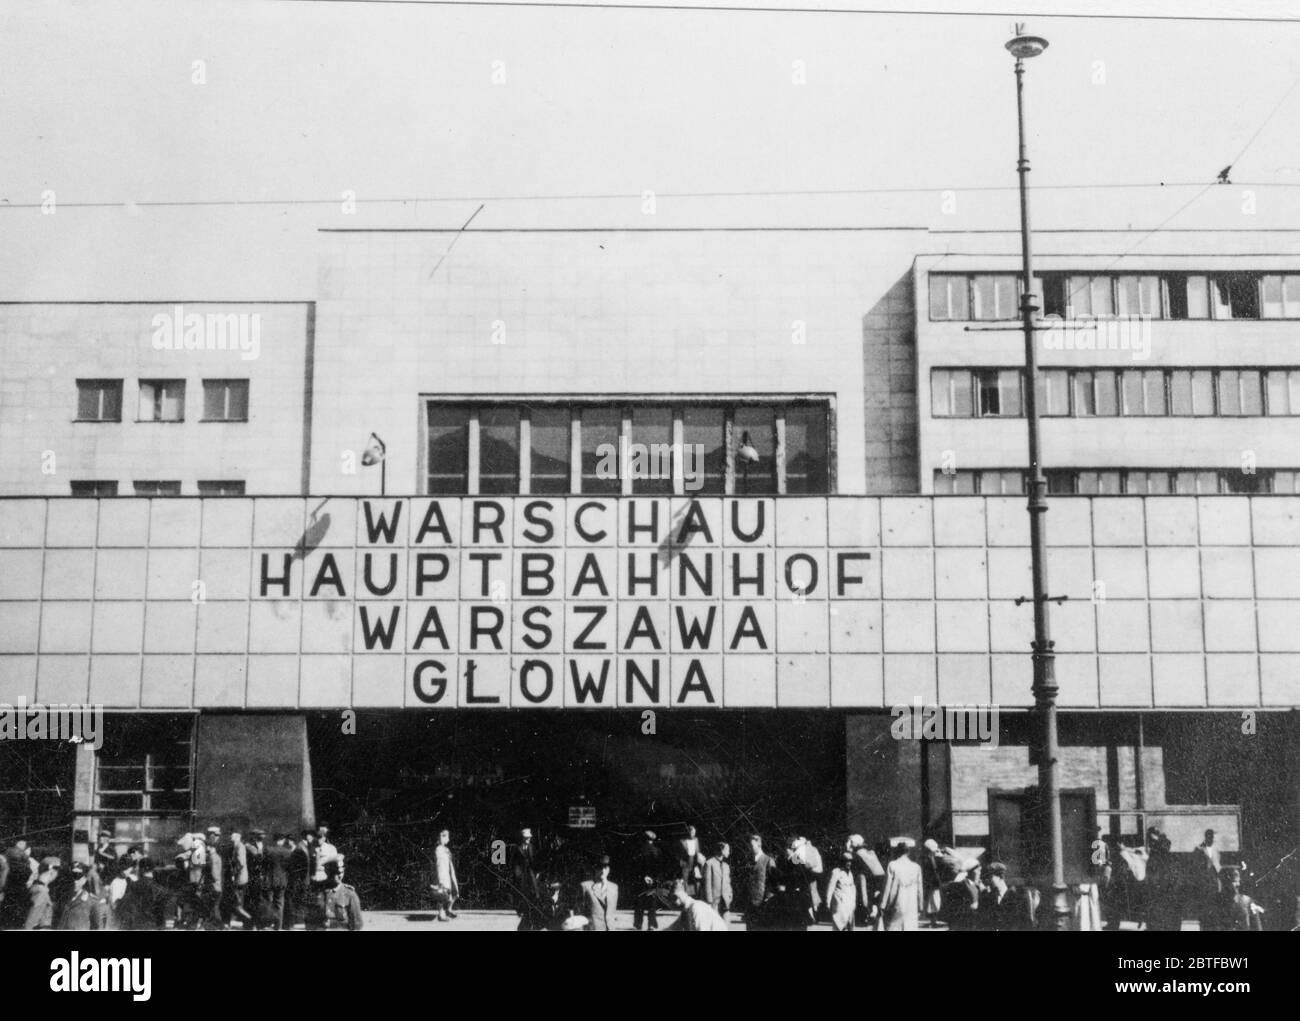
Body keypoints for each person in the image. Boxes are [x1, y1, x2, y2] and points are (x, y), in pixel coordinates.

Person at [879, 838, 923, 931]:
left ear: (896, 852)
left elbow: (887, 887)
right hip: (911, 904)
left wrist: (883, 905)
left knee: (894, 927)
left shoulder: (892, 865)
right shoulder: (916, 867)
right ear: (908, 852)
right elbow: (920, 889)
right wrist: (920, 905)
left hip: (896, 903)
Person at [631, 830, 670, 931]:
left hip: (640, 880)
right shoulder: (657, 851)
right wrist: (654, 879)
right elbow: (661, 868)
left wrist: (643, 876)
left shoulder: (638, 850)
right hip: (653, 882)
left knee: (639, 903)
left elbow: (634, 867)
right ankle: (652, 924)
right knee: (652, 903)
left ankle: (637, 924)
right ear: (653, 840)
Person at [115, 857, 169, 931]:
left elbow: (125, 910)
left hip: (136, 926)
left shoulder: (132, 886)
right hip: (154, 927)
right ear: (153, 870)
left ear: (141, 869)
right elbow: (162, 916)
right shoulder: (161, 890)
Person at [978, 862, 1034, 932]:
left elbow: (1027, 923)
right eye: (986, 878)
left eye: (990, 877)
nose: (987, 881)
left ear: (1000, 877)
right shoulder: (990, 897)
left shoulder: (1018, 896)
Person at [742, 833, 780, 931]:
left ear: (759, 845)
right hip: (750, 904)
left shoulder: (768, 860)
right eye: (749, 846)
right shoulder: (748, 860)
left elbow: (774, 882)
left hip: (763, 904)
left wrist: (768, 899)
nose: (750, 848)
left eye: (752, 846)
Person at [58, 862, 109, 931]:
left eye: (77, 876)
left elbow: (98, 927)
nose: (74, 881)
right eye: (71, 876)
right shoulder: (63, 898)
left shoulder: (92, 902)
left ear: (84, 879)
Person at [848, 834, 884, 928]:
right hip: (876, 878)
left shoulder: (856, 854)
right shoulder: (869, 852)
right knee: (871, 898)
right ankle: (872, 913)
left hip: (863, 879)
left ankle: (865, 916)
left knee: (863, 898)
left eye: (851, 842)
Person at [1212, 866, 1263, 932]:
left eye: (1238, 881)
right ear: (1225, 883)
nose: (1238, 884)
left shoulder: (1247, 901)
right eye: (1234, 881)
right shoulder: (1216, 902)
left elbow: (1256, 926)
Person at [509, 827, 542, 926]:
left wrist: (537, 872)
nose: (528, 839)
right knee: (522, 891)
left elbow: (536, 861)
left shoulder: (532, 847)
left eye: (529, 837)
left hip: (531, 872)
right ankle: (521, 909)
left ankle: (533, 909)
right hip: (521, 873)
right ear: (522, 838)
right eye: (526, 838)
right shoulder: (517, 848)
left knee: (534, 890)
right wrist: (517, 873)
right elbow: (514, 862)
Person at [664, 879, 729, 931]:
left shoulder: (696, 908)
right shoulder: (687, 910)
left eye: (671, 900)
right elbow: (673, 928)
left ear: (676, 897)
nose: (671, 905)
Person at [260, 834, 293, 930]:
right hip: (282, 881)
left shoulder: (268, 850)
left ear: (274, 840)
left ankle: (268, 924)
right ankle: (278, 926)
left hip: (269, 880)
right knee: (279, 903)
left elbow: (263, 866)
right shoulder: (288, 852)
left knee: (268, 902)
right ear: (282, 840)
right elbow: (289, 868)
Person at [579, 856, 619, 931]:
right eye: (600, 868)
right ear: (595, 869)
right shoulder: (586, 886)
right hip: (593, 928)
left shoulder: (614, 887)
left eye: (606, 868)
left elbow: (612, 911)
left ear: (609, 870)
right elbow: (580, 912)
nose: (603, 871)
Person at [324, 857, 364, 930]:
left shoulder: (350, 894)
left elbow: (356, 924)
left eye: (341, 872)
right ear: (327, 871)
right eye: (335, 872)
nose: (339, 876)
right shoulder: (319, 893)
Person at [1194, 828, 1222, 931]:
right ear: (1207, 837)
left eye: (1213, 838)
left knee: (1215, 909)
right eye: (1211, 837)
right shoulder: (1199, 849)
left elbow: (1218, 863)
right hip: (1204, 884)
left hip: (1215, 883)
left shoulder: (1216, 849)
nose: (1213, 839)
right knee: (1205, 910)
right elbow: (1196, 867)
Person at [222, 830, 252, 927]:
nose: (231, 839)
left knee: (237, 902)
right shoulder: (236, 846)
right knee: (235, 901)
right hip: (238, 878)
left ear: (238, 838)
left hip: (239, 879)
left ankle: (248, 921)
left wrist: (233, 874)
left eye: (233, 838)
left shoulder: (240, 847)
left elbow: (241, 863)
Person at [23, 857, 61, 930]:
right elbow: (29, 924)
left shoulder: (34, 887)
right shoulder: (41, 893)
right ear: (51, 871)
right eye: (57, 870)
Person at [432, 829, 459, 922]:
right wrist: (441, 878)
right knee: (443, 895)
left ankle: (448, 910)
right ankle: (441, 914)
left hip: (449, 873)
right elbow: (439, 864)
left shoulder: (445, 849)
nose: (448, 839)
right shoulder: (439, 849)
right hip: (442, 874)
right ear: (442, 838)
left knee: (454, 893)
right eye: (447, 837)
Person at [826, 851, 857, 931]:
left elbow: (852, 889)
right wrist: (828, 902)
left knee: (849, 926)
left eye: (850, 861)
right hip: (839, 904)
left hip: (849, 905)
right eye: (847, 861)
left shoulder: (850, 874)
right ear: (842, 861)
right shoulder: (836, 872)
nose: (849, 863)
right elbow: (831, 888)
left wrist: (854, 903)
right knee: (839, 927)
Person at [702, 841, 732, 918]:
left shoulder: (726, 866)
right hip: (714, 901)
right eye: (727, 850)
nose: (729, 852)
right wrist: (709, 900)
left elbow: (728, 882)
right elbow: (707, 884)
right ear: (722, 851)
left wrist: (730, 895)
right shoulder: (709, 863)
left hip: (725, 901)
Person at [674, 825, 704, 895]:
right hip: (685, 863)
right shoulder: (682, 841)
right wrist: (681, 862)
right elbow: (677, 853)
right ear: (688, 832)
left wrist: (700, 858)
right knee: (685, 880)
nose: (693, 834)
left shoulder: (696, 840)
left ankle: (697, 895)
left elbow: (698, 851)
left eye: (694, 832)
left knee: (696, 879)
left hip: (695, 862)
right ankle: (685, 895)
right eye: (692, 832)